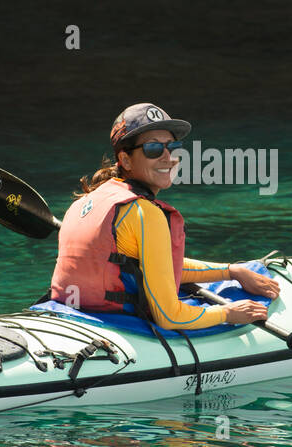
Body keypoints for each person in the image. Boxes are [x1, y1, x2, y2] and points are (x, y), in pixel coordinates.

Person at [49, 103, 278, 329]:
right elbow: (169, 317)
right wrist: (228, 313)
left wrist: (231, 271)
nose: (169, 157)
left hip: (72, 314)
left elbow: (158, 267)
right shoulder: (144, 213)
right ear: (126, 160)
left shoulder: (82, 202)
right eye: (153, 149)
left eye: (173, 147)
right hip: (115, 325)